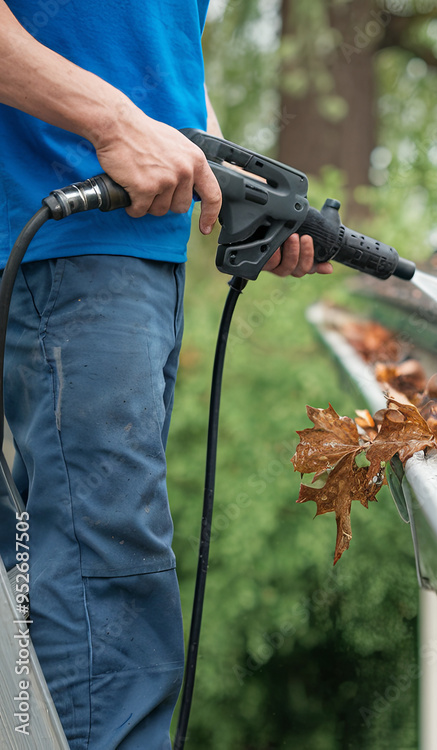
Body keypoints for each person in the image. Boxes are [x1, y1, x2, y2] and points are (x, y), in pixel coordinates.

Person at [0, 2, 332, 746]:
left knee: (50, 564)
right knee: (104, 564)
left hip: (133, 248)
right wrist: (113, 125)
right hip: (63, 233)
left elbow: (157, 47)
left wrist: (230, 175)